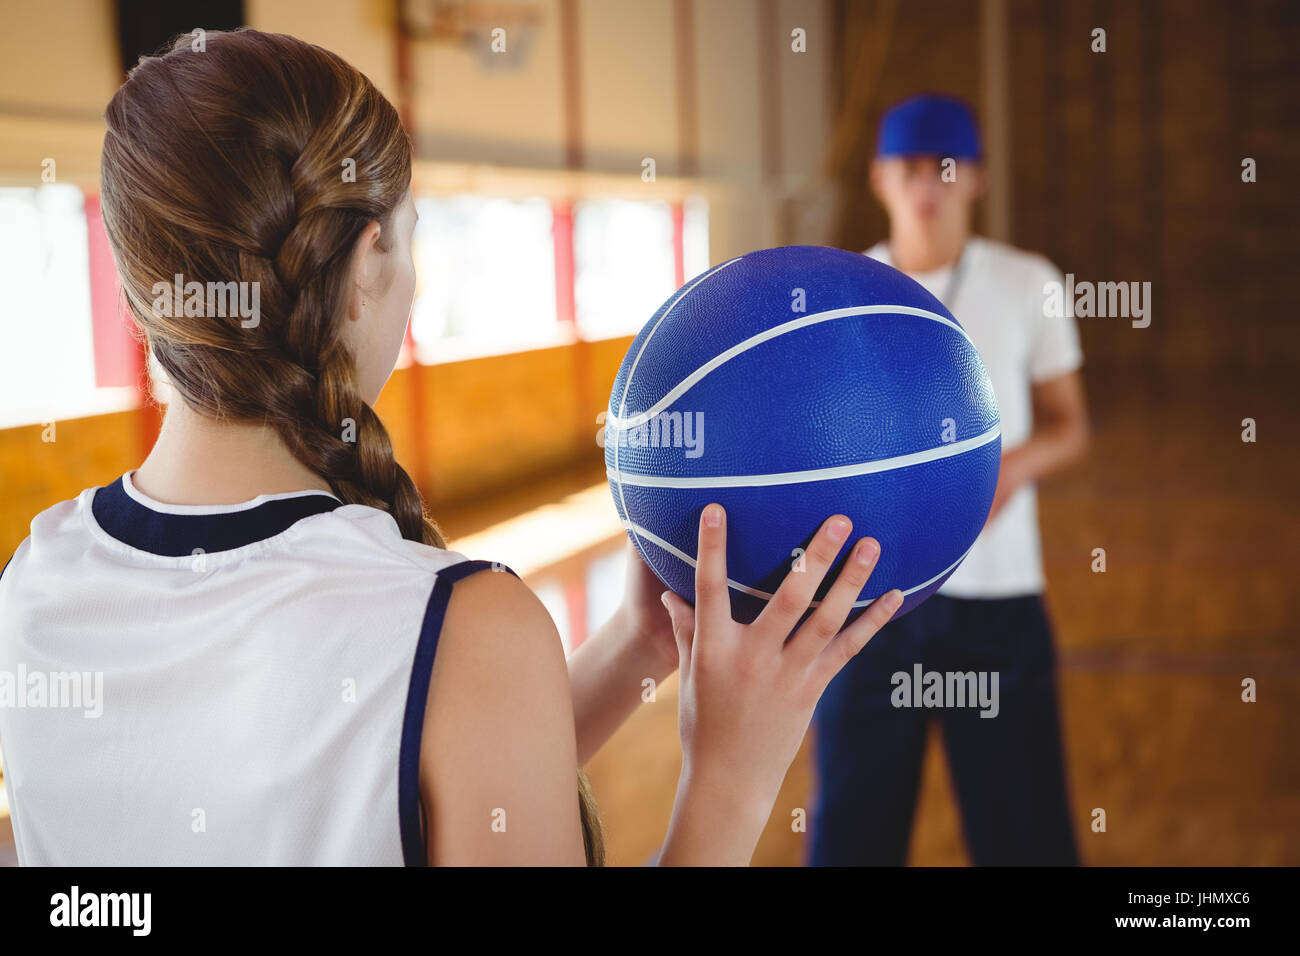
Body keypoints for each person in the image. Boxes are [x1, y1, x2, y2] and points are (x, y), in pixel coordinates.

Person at [0, 29, 903, 866]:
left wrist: (635, 647)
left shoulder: (35, 583)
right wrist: (731, 782)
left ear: (140, 292)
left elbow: (394, 796)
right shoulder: (466, 627)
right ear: (365, 265)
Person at [809, 93, 1090, 866]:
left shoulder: (1027, 280)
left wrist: (1011, 470)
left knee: (1025, 836)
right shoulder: (836, 289)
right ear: (878, 178)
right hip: (865, 605)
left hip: (996, 604)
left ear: (978, 179)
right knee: (850, 837)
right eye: (907, 166)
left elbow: (1071, 425)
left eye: (947, 165)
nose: (926, 183)